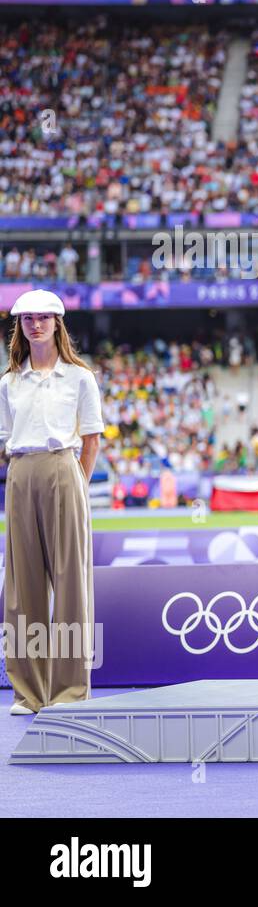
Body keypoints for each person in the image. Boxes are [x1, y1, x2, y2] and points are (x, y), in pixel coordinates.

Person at [0, 289, 104, 714]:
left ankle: (69, 690)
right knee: (21, 589)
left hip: (65, 469)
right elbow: (6, 440)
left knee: (70, 586)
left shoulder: (80, 378)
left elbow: (92, 439)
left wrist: (77, 482)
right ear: (20, 327)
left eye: (44, 318)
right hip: (21, 472)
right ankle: (29, 691)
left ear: (58, 323)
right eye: (28, 319)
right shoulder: (8, 383)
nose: (36, 324)